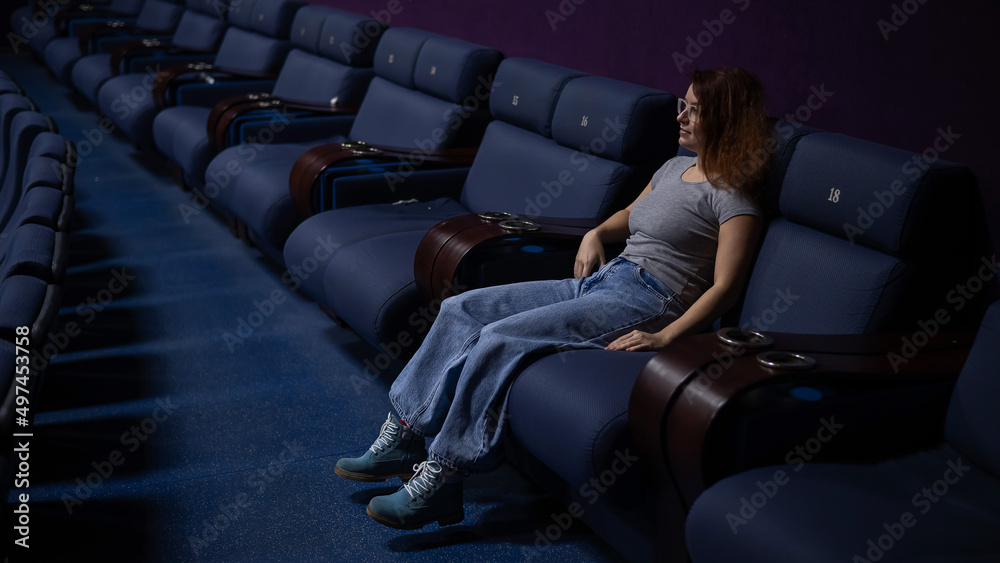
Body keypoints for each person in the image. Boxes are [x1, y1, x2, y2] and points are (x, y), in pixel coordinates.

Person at [335, 67, 773, 530]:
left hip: (650, 299)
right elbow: (630, 214)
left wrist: (666, 337)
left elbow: (725, 288)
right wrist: (595, 232)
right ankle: (406, 431)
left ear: (725, 119)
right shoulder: (672, 167)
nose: (680, 117)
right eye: (681, 105)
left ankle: (444, 475)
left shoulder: (733, 197)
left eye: (694, 110)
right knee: (461, 308)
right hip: (605, 279)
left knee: (500, 337)